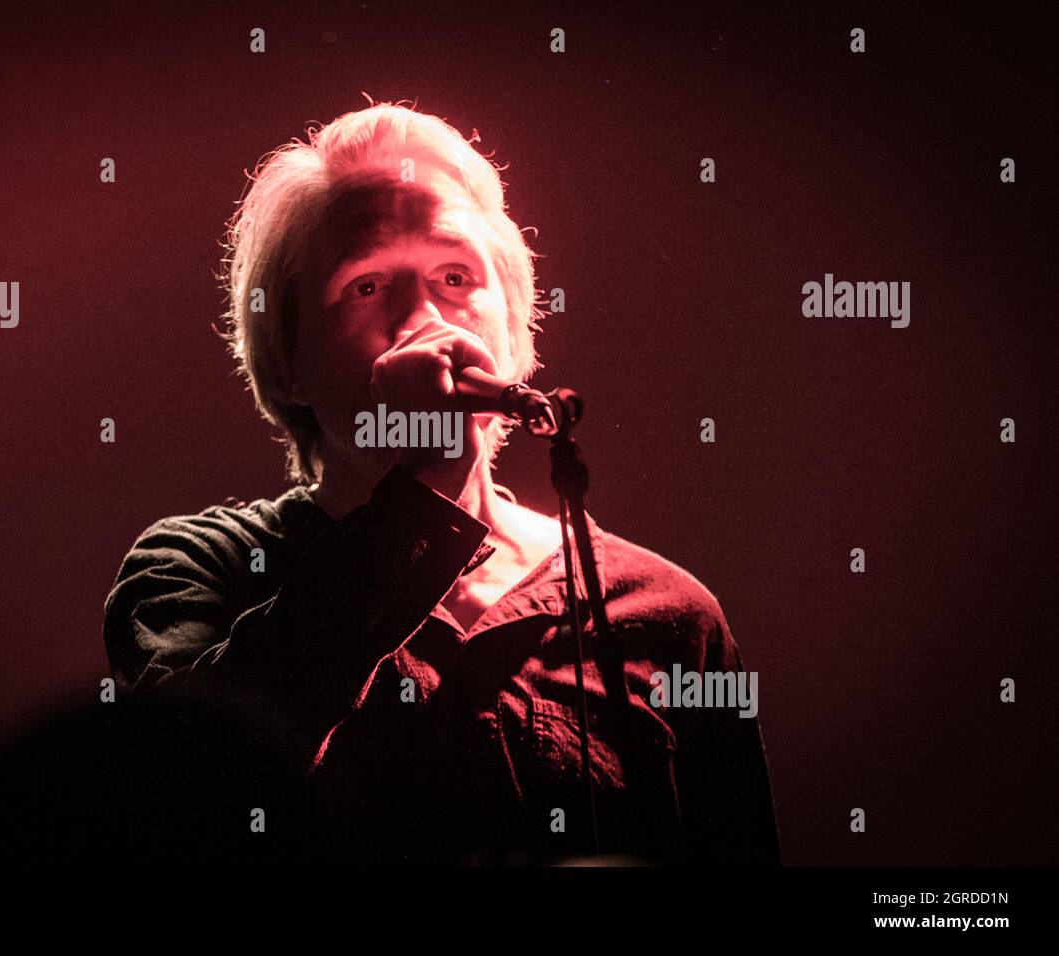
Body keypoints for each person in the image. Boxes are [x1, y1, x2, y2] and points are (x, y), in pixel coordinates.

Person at [102, 101, 782, 865]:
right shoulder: (198, 572)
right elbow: (191, 794)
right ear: (289, 361)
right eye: (365, 287)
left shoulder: (669, 614)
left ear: (513, 335)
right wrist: (424, 491)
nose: (426, 319)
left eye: (456, 276)